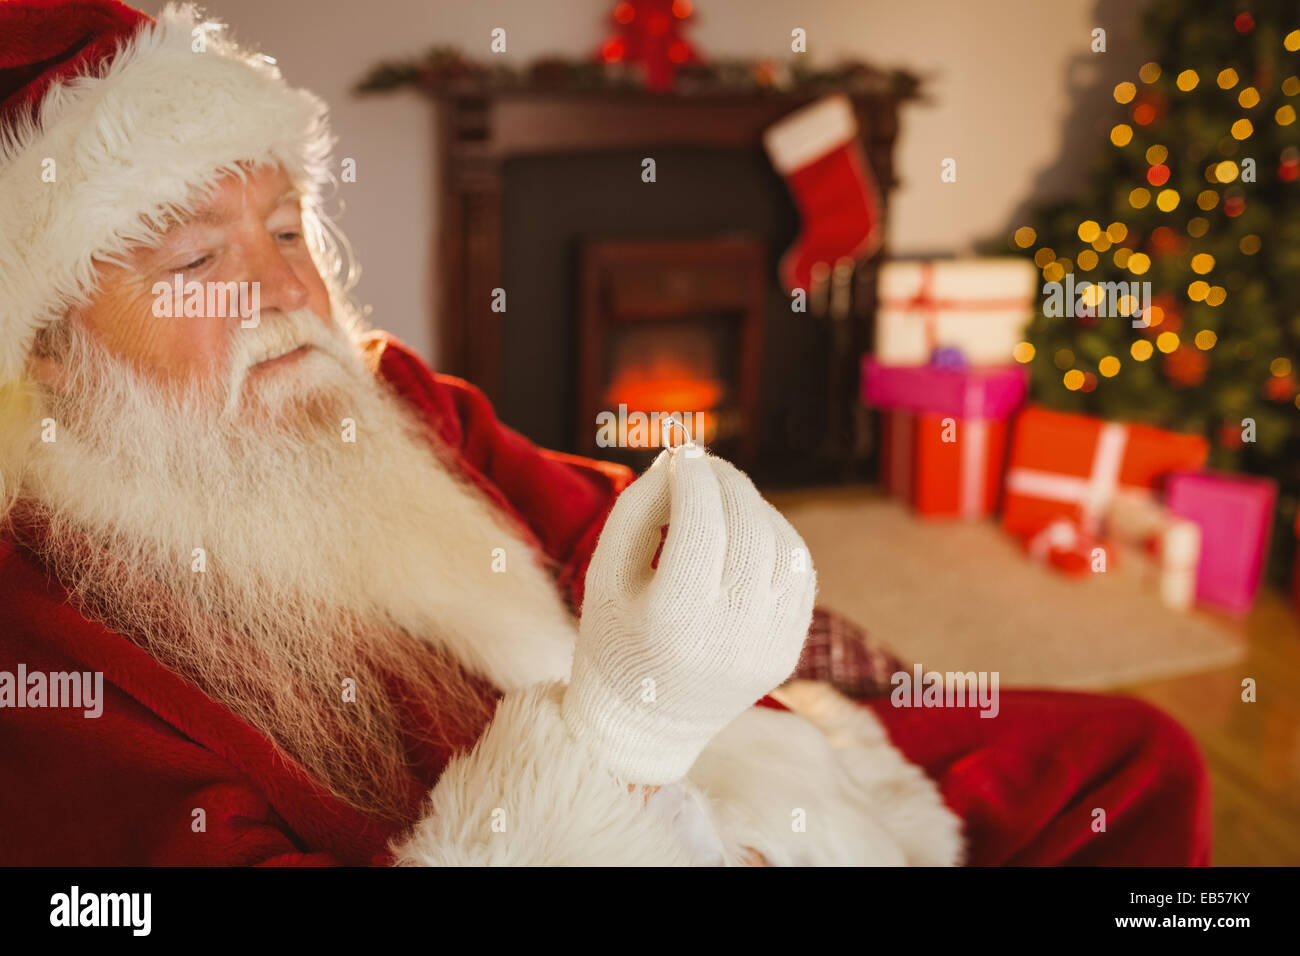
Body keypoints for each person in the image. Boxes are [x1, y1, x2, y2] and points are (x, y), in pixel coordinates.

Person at [0, 0, 1211, 866]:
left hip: (723, 760)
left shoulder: (395, 395)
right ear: (46, 339)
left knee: (1134, 754)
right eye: (196, 258)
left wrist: (703, 539)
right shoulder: (45, 655)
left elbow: (591, 521)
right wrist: (624, 743)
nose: (284, 295)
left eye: (283, 228)